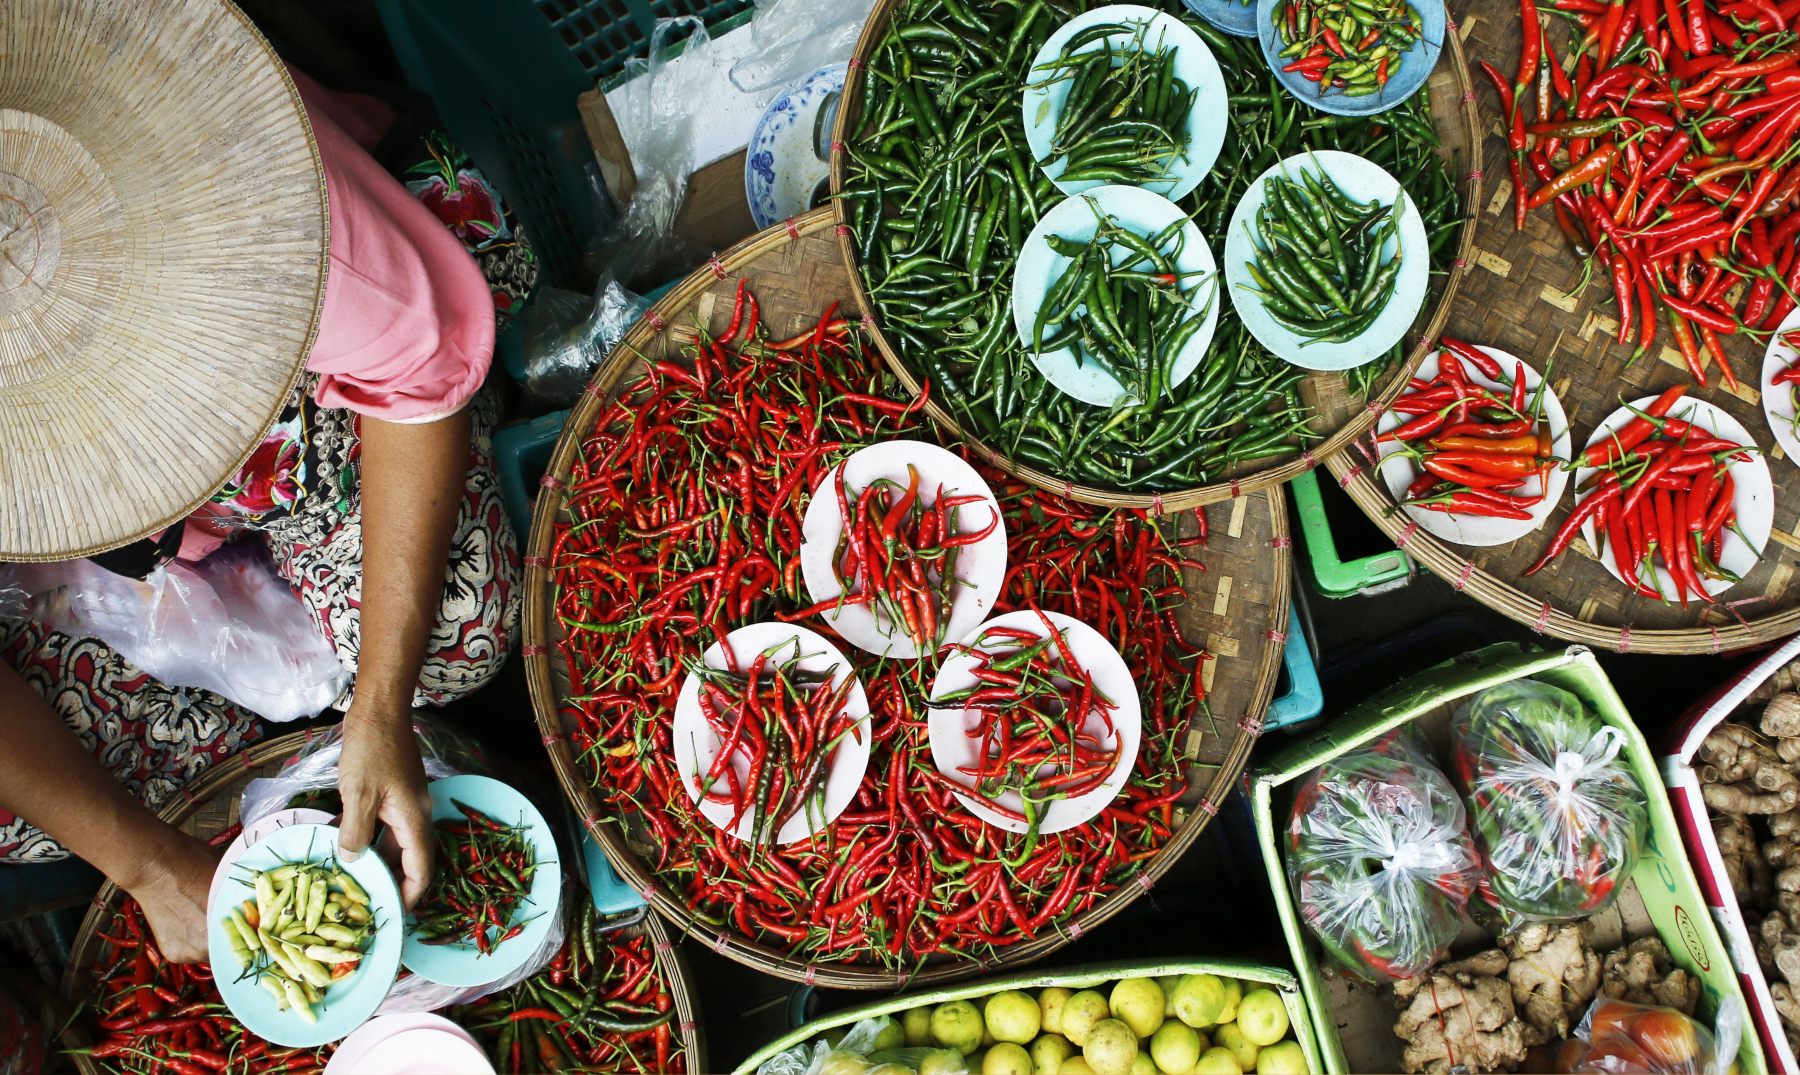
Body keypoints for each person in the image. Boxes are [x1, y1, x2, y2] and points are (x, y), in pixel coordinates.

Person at [0, 7, 530, 963]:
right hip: (121, 546)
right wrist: (146, 862)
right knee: (35, 816)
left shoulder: (247, 197)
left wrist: (378, 699)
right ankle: (300, 760)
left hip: (301, 398)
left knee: (462, 632)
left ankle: (363, 733)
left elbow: (412, 376)